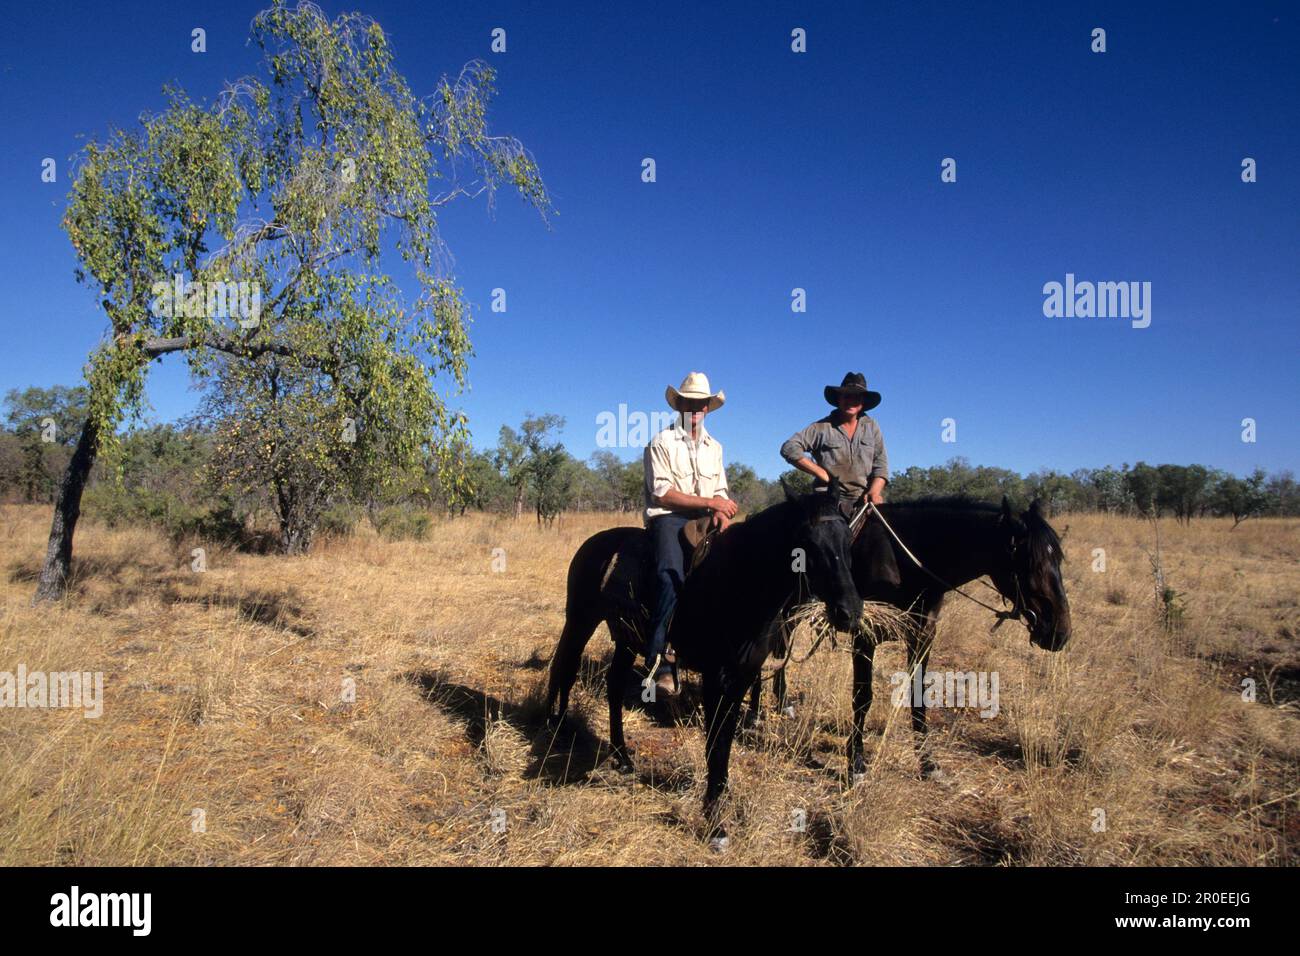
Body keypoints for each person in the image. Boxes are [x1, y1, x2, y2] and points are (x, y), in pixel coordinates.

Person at [642, 372, 737, 697]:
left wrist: (721, 510)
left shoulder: (716, 447)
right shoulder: (661, 442)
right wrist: (710, 502)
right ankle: (657, 663)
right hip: (669, 518)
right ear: (679, 405)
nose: (695, 410)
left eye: (701, 404)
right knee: (670, 577)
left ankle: (723, 652)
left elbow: (721, 489)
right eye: (689, 403)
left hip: (706, 519)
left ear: (708, 408)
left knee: (738, 572)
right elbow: (662, 494)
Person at [780, 372, 901, 588]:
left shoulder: (872, 427)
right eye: (846, 396)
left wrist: (875, 490)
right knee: (820, 549)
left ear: (863, 403)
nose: (851, 401)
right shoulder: (821, 428)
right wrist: (821, 473)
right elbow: (789, 448)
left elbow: (881, 466)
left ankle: (880, 597)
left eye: (856, 397)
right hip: (828, 503)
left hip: (863, 501)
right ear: (838, 399)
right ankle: (807, 594)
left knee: (889, 548)